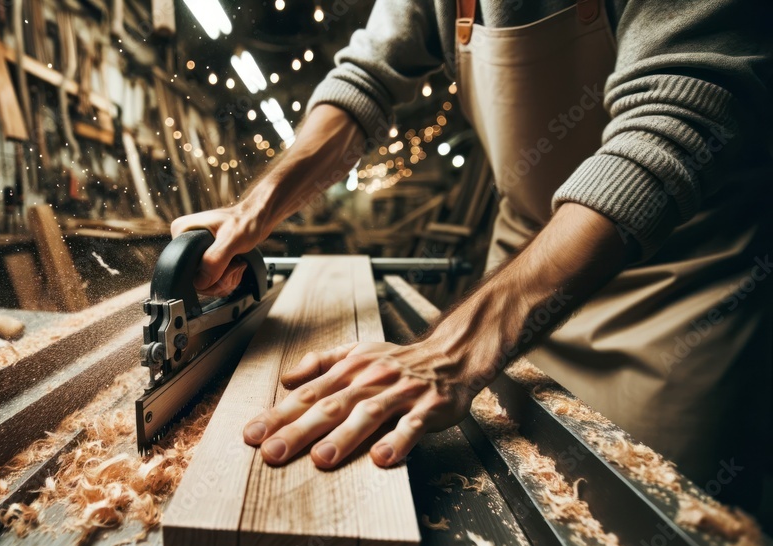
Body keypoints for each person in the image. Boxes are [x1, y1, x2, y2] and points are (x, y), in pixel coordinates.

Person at [171, 0, 773, 509]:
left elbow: (679, 113)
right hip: (530, 247)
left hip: (677, 277)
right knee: (504, 467)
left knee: (637, 506)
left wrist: (454, 346)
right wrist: (255, 211)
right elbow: (366, 79)